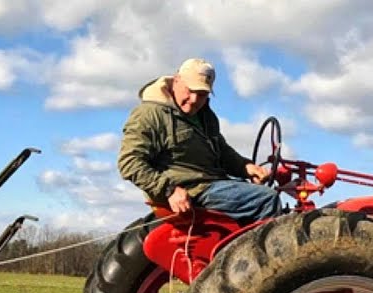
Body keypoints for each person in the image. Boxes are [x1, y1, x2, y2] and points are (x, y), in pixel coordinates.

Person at [117, 58, 280, 225]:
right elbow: (129, 162)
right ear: (176, 80)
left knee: (260, 192)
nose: (195, 99)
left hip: (213, 184)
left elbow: (221, 151)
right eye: (190, 90)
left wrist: (245, 167)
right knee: (266, 199)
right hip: (191, 190)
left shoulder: (205, 116)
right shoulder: (149, 114)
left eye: (202, 94)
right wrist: (169, 190)